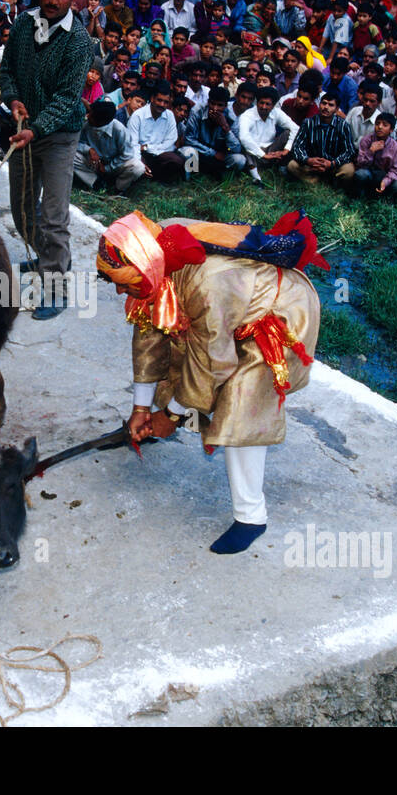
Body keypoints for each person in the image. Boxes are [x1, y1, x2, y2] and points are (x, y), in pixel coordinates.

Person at [96, 210, 326, 555]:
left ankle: (252, 516)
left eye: (124, 283)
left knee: (242, 402)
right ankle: (156, 422)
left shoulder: (208, 283)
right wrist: (141, 408)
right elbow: (148, 336)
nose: (118, 291)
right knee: (176, 346)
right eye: (112, 282)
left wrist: (171, 417)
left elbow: (211, 363)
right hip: (229, 309)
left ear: (146, 268)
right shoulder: (154, 256)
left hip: (279, 313)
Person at [0, 0, 92, 320]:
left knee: (53, 217)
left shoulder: (79, 42)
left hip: (58, 137)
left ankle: (55, 286)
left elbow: (68, 99)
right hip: (24, 129)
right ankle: (48, 257)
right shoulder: (22, 24)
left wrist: (34, 129)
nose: (54, 0)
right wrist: (13, 99)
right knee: (22, 211)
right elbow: (7, 71)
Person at [287, 91, 356, 185]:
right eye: (324, 103)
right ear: (319, 105)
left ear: (337, 109)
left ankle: (325, 181)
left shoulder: (343, 125)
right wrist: (308, 160)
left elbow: (349, 151)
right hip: (312, 165)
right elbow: (297, 147)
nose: (326, 107)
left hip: (333, 165)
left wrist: (332, 163)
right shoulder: (308, 123)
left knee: (349, 171)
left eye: (331, 105)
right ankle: (317, 181)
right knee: (292, 165)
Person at [73, 98, 142, 193]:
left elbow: (127, 155)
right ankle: (96, 183)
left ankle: (118, 188)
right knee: (71, 155)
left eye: (91, 116)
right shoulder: (86, 124)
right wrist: (89, 150)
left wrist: (107, 168)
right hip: (94, 163)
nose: (88, 117)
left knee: (138, 167)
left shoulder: (119, 130)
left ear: (102, 121)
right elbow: (76, 143)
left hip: (114, 165)